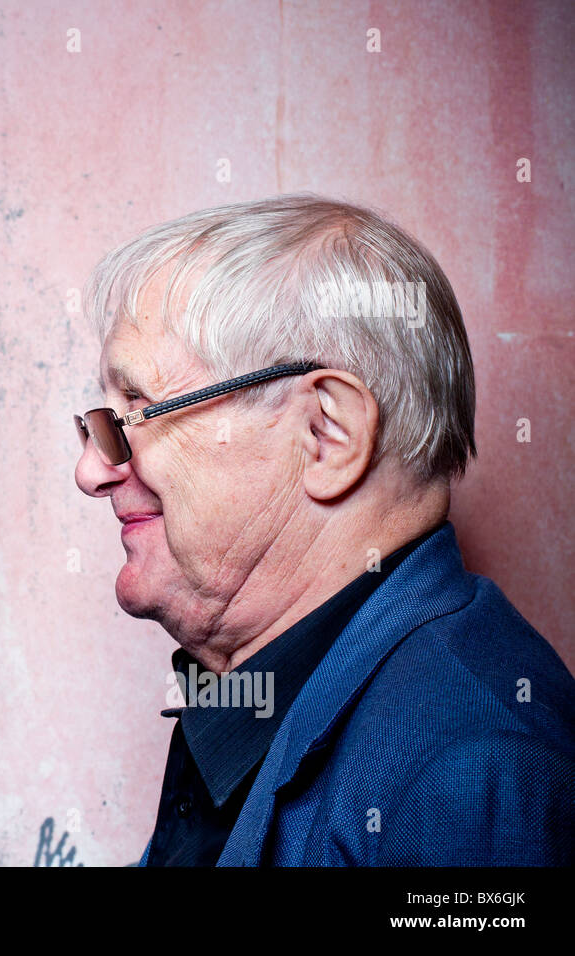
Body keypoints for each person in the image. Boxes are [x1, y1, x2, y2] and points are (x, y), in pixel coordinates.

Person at [74, 194, 575, 865]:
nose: (90, 472)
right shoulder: (260, 686)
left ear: (327, 435)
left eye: (136, 410)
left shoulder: (474, 770)